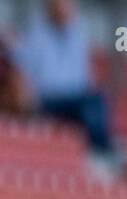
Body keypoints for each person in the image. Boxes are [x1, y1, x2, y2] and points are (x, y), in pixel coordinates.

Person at [16, 0, 114, 155]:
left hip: (74, 99)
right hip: (47, 99)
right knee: (92, 103)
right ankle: (100, 149)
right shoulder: (34, 34)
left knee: (96, 100)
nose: (66, 9)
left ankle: (99, 148)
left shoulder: (78, 35)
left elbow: (84, 77)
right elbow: (22, 69)